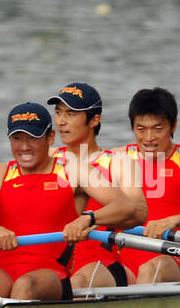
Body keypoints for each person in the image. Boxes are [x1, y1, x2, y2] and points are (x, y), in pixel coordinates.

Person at [0, 102, 140, 300]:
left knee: (24, 286)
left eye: (33, 138)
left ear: (50, 138)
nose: (24, 147)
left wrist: (87, 220)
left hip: (52, 276)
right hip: (3, 271)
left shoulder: (75, 170)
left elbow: (125, 206)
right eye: (17, 138)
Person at [46, 82, 146, 289]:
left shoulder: (119, 162)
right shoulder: (45, 158)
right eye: (58, 113)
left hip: (101, 265)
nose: (61, 121)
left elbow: (139, 214)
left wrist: (89, 220)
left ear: (94, 120)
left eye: (71, 114)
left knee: (77, 283)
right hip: (50, 263)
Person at [119, 87, 180, 283]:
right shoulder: (117, 158)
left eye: (158, 128)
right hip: (125, 257)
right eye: (141, 129)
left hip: (175, 258)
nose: (149, 138)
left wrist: (172, 222)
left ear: (174, 126)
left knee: (150, 270)